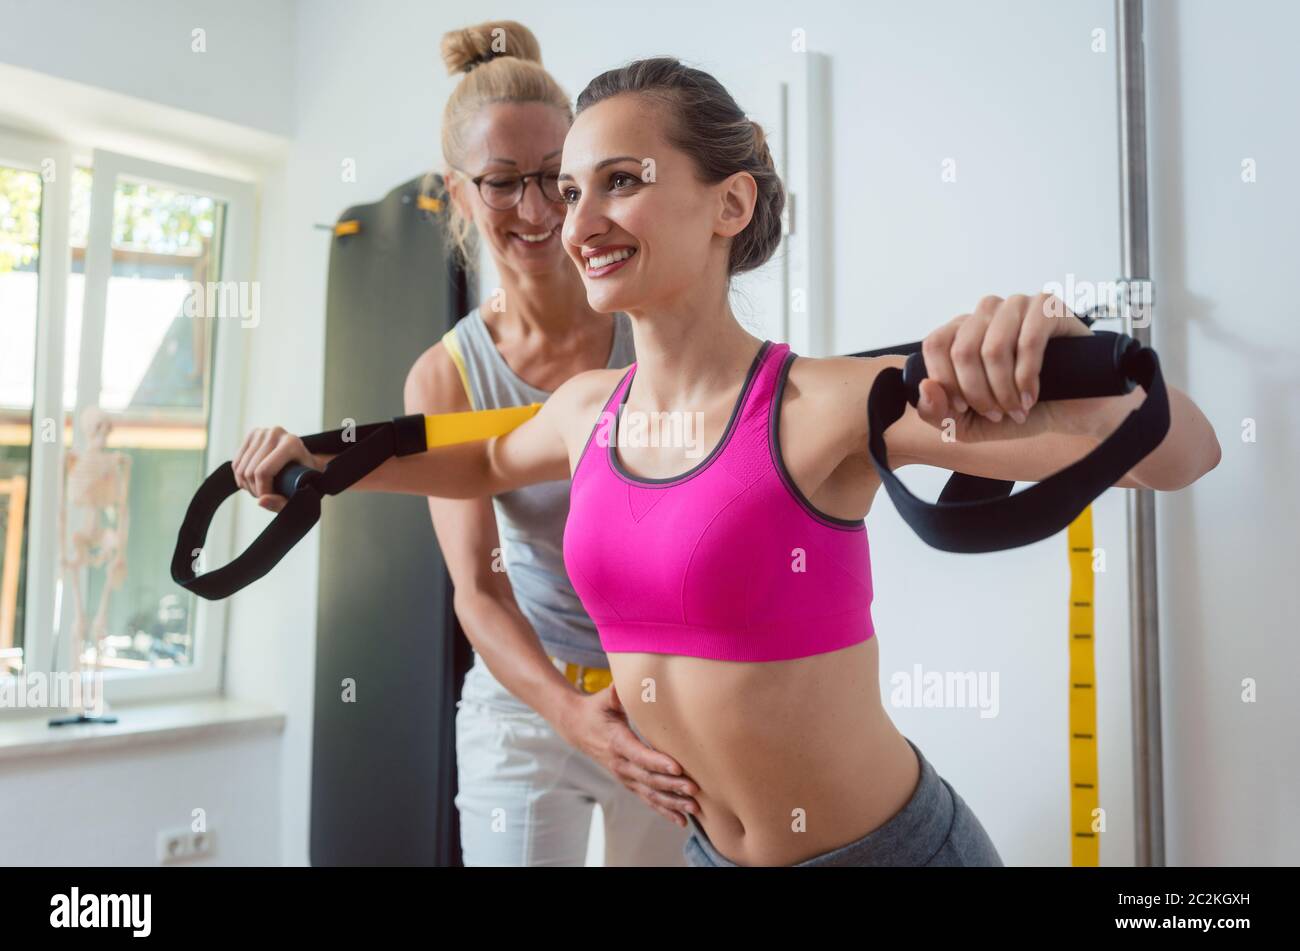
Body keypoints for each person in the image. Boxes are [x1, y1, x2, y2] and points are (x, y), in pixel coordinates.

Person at [237, 57, 1220, 866]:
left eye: (619, 181)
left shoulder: (821, 404)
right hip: (707, 854)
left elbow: (1177, 455)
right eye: (571, 191)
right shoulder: (586, 413)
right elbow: (483, 456)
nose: (573, 225)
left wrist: (1059, 353)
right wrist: (318, 464)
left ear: (727, 203)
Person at [248, 23, 696, 867]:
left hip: (669, 686)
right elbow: (479, 593)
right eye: (500, 184)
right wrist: (313, 465)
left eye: (553, 178)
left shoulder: (655, 321)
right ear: (459, 194)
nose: (535, 210)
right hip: (531, 703)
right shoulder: (448, 376)